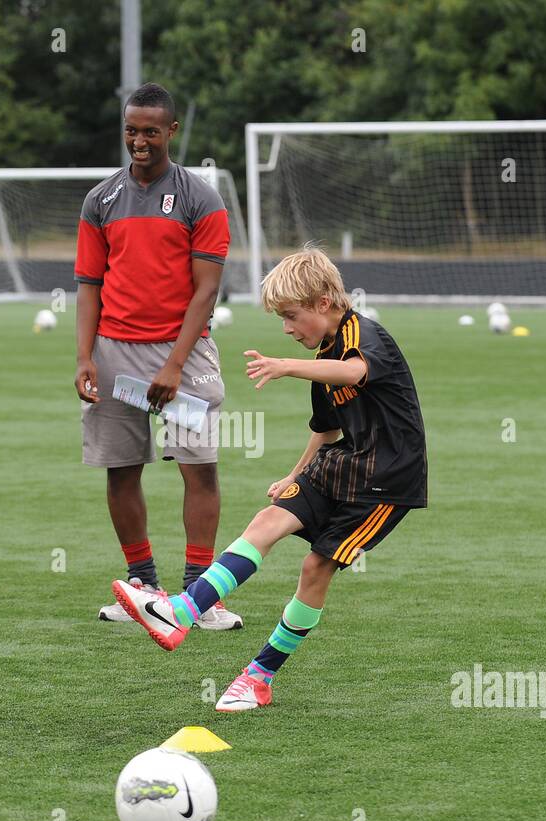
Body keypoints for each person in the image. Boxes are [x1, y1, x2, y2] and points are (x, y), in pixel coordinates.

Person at [112, 246, 428, 711]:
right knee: (266, 521)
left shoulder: (363, 335)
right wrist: (293, 476)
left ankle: (258, 676)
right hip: (340, 464)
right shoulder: (322, 354)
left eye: (291, 316)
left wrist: (286, 365)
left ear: (324, 303)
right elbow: (327, 429)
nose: (286, 328)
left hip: (385, 481)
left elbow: (355, 371)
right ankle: (180, 612)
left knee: (315, 568)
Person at [74, 82, 242, 630]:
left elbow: (205, 290)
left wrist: (173, 364)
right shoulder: (100, 200)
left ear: (171, 131)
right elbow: (89, 285)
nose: (139, 140)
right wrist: (85, 357)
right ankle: (143, 586)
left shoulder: (201, 198)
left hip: (184, 361)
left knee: (199, 469)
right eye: (131, 129)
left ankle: (200, 597)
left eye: (150, 130)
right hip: (114, 357)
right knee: (120, 471)